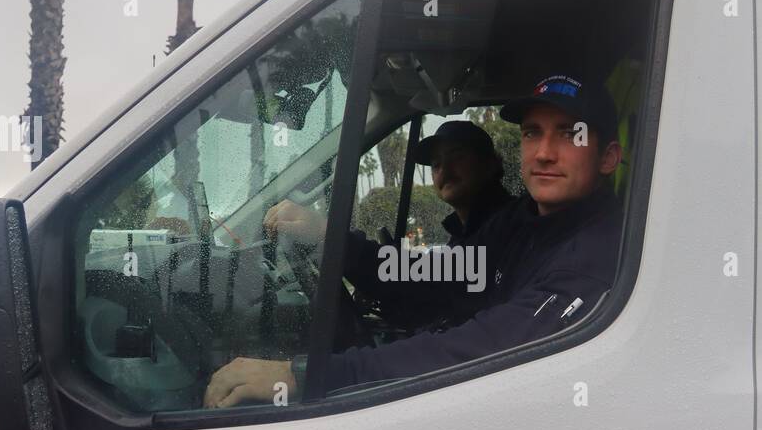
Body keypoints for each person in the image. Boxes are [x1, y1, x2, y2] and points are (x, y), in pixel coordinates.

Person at [204, 73, 623, 408]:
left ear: (608, 157)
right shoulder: (521, 222)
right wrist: (331, 240)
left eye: (571, 134)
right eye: (533, 133)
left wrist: (301, 375)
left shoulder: (594, 255)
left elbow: (480, 349)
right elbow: (432, 277)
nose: (544, 152)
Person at [263, 120, 512, 327]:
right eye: (436, 163)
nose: (444, 169)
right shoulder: (467, 231)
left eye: (456, 157)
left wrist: (326, 234)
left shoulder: (505, 225)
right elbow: (441, 289)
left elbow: (436, 276)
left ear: (490, 164)